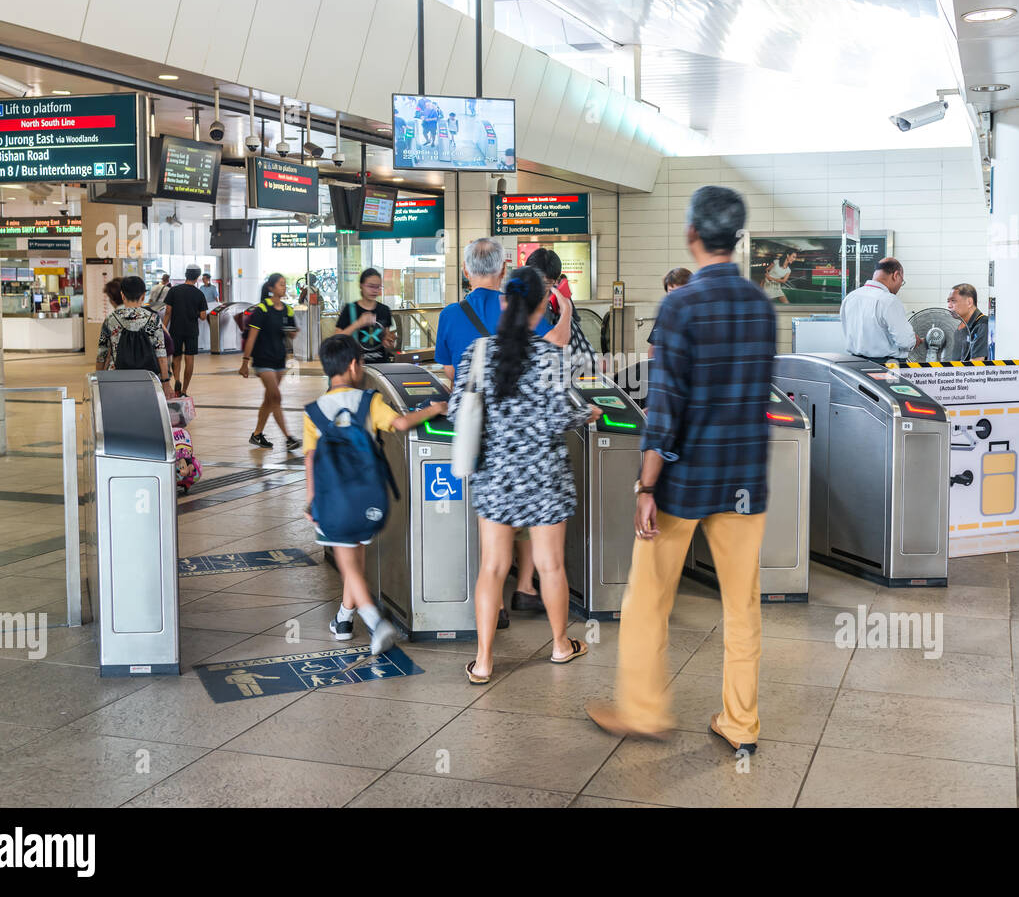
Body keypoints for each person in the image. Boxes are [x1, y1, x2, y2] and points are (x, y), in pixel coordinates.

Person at [586, 185, 775, 757]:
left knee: (649, 596)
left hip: (685, 480)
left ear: (692, 235)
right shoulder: (761, 306)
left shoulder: (680, 305)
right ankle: (740, 724)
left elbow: (664, 408)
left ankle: (644, 710)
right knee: (743, 606)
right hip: (744, 478)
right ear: (736, 239)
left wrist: (647, 484)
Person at [448, 266, 602, 684]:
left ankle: (483, 661)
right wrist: (589, 412)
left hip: (496, 477)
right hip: (545, 477)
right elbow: (561, 414)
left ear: (503, 301)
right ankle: (559, 646)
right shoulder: (552, 356)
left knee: (493, 567)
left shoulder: (477, 353)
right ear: (540, 308)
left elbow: (455, 412)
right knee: (551, 566)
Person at [305, 334, 447, 655]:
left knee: (348, 562)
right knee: (356, 557)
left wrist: (312, 501)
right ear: (355, 365)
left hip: (332, 499)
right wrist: (435, 407)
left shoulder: (313, 411)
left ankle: (374, 621)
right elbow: (401, 422)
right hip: (367, 497)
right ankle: (344, 618)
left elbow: (310, 458)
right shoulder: (370, 402)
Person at [434, 237, 569, 384]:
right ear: (503, 269)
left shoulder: (448, 315)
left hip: (470, 403)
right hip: (512, 401)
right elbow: (558, 342)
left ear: (465, 270)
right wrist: (566, 309)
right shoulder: (518, 307)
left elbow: (451, 372)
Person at [239, 273, 302, 449]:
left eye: (284, 284)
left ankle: (257, 434)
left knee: (269, 399)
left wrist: (293, 332)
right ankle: (289, 438)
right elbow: (251, 337)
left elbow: (291, 333)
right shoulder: (262, 309)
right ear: (271, 288)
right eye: (281, 284)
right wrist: (245, 362)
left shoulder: (287, 310)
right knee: (276, 396)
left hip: (278, 360)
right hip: (262, 359)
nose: (284, 287)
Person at [526, 248, 596, 374]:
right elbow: (560, 340)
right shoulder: (521, 305)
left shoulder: (560, 304)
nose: (539, 288)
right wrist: (567, 310)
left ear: (556, 282)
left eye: (546, 283)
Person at [96, 275, 172, 390]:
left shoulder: (110, 319)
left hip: (117, 378)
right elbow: (161, 353)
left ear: (122, 295)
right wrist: (166, 382)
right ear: (142, 296)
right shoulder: (153, 318)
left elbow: (102, 354)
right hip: (147, 377)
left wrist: (98, 380)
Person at [840, 258, 915, 362]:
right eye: (901, 282)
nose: (899, 286)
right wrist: (915, 340)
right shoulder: (889, 300)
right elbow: (906, 342)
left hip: (854, 363)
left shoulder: (850, 297)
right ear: (896, 275)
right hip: (886, 366)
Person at [335, 268, 397, 365]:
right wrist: (358, 324)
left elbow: (387, 340)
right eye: (371, 286)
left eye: (378, 287)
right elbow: (337, 340)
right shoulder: (350, 309)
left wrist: (389, 342)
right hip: (356, 367)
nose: (374, 290)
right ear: (361, 286)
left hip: (380, 367)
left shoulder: (384, 310)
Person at [163, 266, 209, 395]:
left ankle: (177, 379)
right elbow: (203, 316)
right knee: (189, 359)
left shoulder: (174, 291)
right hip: (191, 330)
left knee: (176, 357)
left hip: (176, 329)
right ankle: (184, 389)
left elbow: (168, 312)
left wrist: (164, 329)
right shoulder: (199, 293)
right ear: (197, 277)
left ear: (186, 275)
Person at [646, 267, 693, 357]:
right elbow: (653, 349)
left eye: (680, 291)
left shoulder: (697, 316)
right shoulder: (664, 315)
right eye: (671, 291)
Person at [947, 283, 989, 361]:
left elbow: (976, 365)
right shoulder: (961, 329)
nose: (949, 306)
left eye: (953, 301)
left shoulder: (983, 325)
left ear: (969, 302)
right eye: (948, 301)